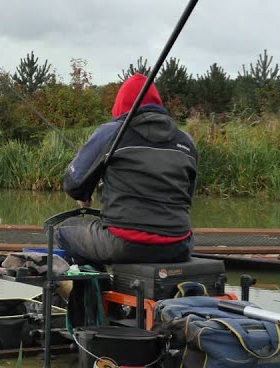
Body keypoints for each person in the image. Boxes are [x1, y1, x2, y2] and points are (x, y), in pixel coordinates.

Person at [56, 74, 198, 265]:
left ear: (121, 104)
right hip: (179, 245)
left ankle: (97, 290)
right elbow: (188, 196)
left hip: (124, 243)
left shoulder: (112, 132)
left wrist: (84, 195)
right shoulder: (186, 141)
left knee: (63, 230)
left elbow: (73, 184)